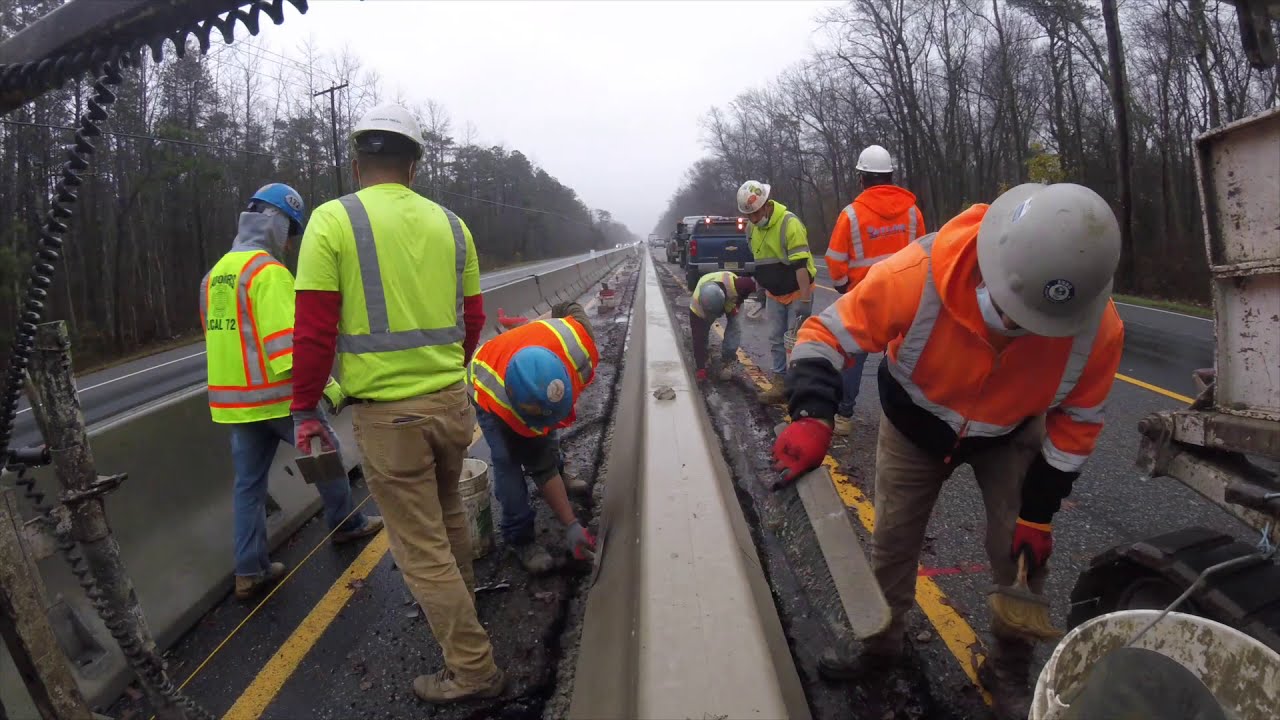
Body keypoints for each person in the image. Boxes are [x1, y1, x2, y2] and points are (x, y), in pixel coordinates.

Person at [772, 183, 1125, 719]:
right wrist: (813, 415)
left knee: (1020, 553)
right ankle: (879, 642)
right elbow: (825, 333)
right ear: (991, 269)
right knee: (894, 539)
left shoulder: (1096, 329)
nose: (1022, 331)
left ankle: (1009, 666)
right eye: (1014, 316)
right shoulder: (921, 273)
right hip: (916, 423)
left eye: (1037, 324)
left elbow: (1079, 421)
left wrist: (1039, 511)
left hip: (1008, 432)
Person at [289, 104, 503, 703]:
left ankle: (473, 668)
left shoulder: (332, 220)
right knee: (449, 516)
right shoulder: (454, 226)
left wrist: (305, 409)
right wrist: (444, 374)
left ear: (357, 164)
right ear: (413, 167)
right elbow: (473, 320)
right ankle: (464, 624)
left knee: (420, 547)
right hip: (451, 403)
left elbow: (313, 332)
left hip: (390, 419)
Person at [200, 183, 382, 602]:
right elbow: (291, 348)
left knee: (249, 486)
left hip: (235, 405)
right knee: (326, 456)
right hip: (278, 398)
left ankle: (250, 570)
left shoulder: (213, 277)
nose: (290, 242)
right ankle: (347, 525)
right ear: (276, 224)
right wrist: (327, 391)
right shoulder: (268, 274)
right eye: (290, 232)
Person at [467, 302, 599, 574]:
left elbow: (566, 306)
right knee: (508, 461)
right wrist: (571, 523)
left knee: (547, 432)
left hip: (524, 358)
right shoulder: (504, 405)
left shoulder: (579, 341)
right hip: (485, 377)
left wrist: (535, 324)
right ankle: (520, 538)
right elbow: (540, 465)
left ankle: (560, 476)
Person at [823, 145, 926, 437]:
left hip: (865, 298)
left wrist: (845, 288)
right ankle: (907, 418)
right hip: (906, 298)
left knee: (853, 357)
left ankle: (844, 416)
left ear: (862, 178)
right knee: (902, 359)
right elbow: (925, 253)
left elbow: (835, 260)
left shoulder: (851, 214)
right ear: (890, 176)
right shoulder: (912, 212)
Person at [736, 180, 816, 403]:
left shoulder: (789, 223)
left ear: (767, 204)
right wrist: (761, 292)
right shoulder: (752, 229)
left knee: (796, 341)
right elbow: (760, 263)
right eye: (748, 215)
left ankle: (798, 386)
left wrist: (805, 300)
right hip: (774, 293)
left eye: (755, 213)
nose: (753, 219)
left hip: (797, 290)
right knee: (775, 339)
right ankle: (780, 384)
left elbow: (801, 266)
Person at [688, 271, 757, 381]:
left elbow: (752, 283)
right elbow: (698, 338)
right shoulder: (697, 309)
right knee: (702, 333)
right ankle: (704, 358)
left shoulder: (737, 286)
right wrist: (700, 368)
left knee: (735, 326)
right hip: (710, 306)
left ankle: (728, 359)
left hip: (732, 298)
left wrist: (737, 304)